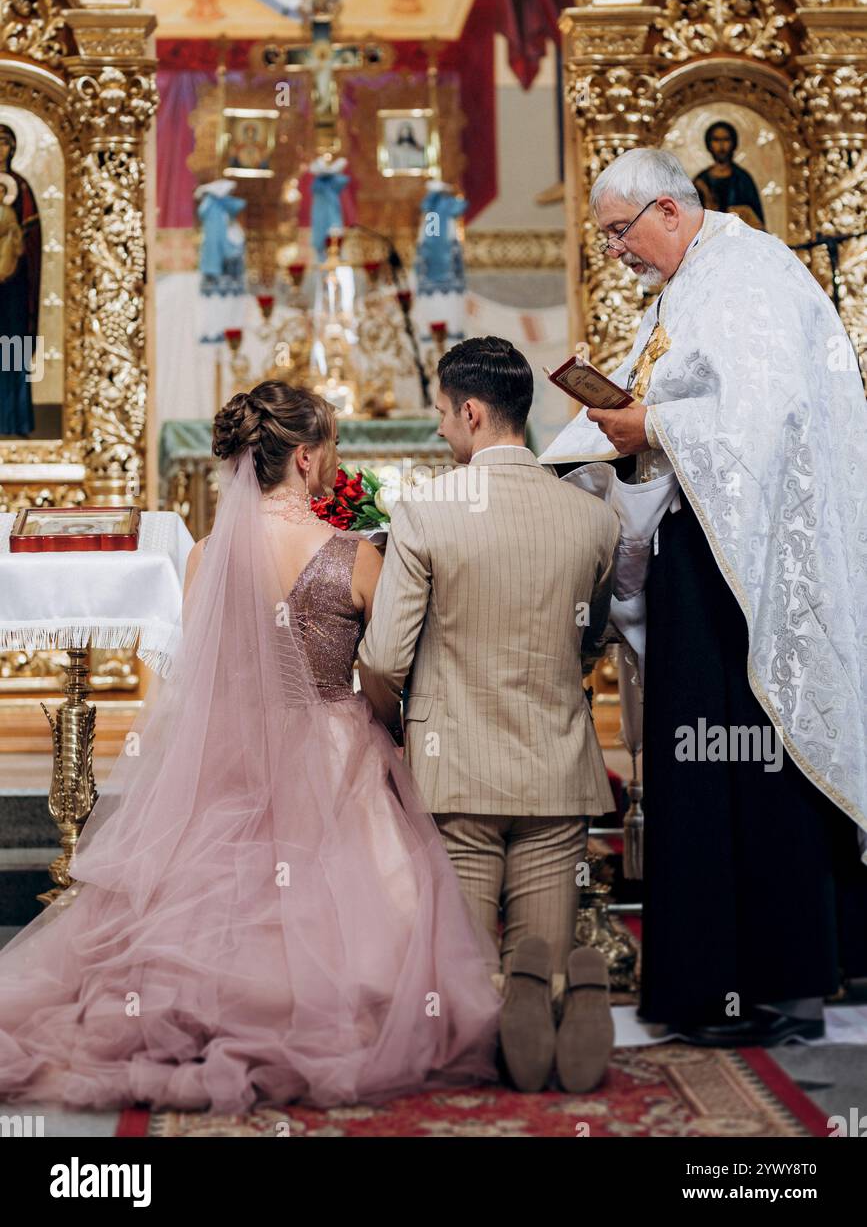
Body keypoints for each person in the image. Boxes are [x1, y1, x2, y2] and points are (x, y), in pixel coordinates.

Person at [0, 380, 501, 1112]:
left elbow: (208, 669)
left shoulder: (205, 555)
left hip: (230, 747)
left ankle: (204, 1001)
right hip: (333, 747)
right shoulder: (353, 554)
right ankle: (333, 1007)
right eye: (325, 450)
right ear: (302, 456)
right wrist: (389, 726)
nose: (329, 464)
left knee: (215, 882)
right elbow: (388, 664)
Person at [539, 147, 867, 1048]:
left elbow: (766, 415)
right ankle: (724, 977)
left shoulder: (747, 275)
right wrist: (574, 449)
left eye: (619, 232)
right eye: (606, 237)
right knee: (705, 760)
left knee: (742, 760)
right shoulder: (690, 283)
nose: (616, 252)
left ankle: (764, 988)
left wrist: (648, 424)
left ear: (668, 210)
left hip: (745, 564)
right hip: (706, 549)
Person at [359, 337, 620, 1094]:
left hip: (456, 770)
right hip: (555, 769)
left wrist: (395, 723)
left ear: (471, 411)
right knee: (535, 953)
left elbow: (382, 657)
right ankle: (555, 996)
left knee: (464, 989)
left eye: (442, 414)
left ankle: (498, 1024)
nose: (440, 429)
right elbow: (590, 636)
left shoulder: (425, 512)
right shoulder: (592, 519)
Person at [0, 124, 41, 436]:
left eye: (4, 144)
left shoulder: (22, 188)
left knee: (12, 349)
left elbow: (33, 236)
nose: (0, 149)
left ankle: (15, 420)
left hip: (13, 283)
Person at [693, 121, 765, 230]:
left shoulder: (743, 179)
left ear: (733, 143)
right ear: (709, 144)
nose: (721, 146)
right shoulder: (701, 181)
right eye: (716, 140)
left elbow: (757, 223)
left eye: (726, 140)